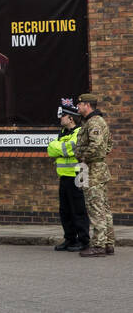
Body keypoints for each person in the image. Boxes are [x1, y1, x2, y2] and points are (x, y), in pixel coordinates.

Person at [74, 93, 115, 257]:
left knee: (95, 208)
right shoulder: (93, 121)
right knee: (104, 208)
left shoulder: (94, 122)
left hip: (93, 170)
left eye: (79, 104)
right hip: (97, 168)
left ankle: (98, 245)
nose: (78, 107)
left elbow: (97, 146)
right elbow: (109, 144)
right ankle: (108, 243)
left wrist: (83, 156)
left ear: (87, 105)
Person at [47, 102, 88, 252]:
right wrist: (60, 148)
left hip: (78, 174)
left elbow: (71, 149)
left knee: (78, 210)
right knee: (65, 211)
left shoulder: (79, 132)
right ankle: (70, 239)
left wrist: (58, 148)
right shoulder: (63, 133)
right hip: (64, 176)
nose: (60, 118)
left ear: (71, 118)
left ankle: (83, 240)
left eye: (62, 115)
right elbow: (50, 150)